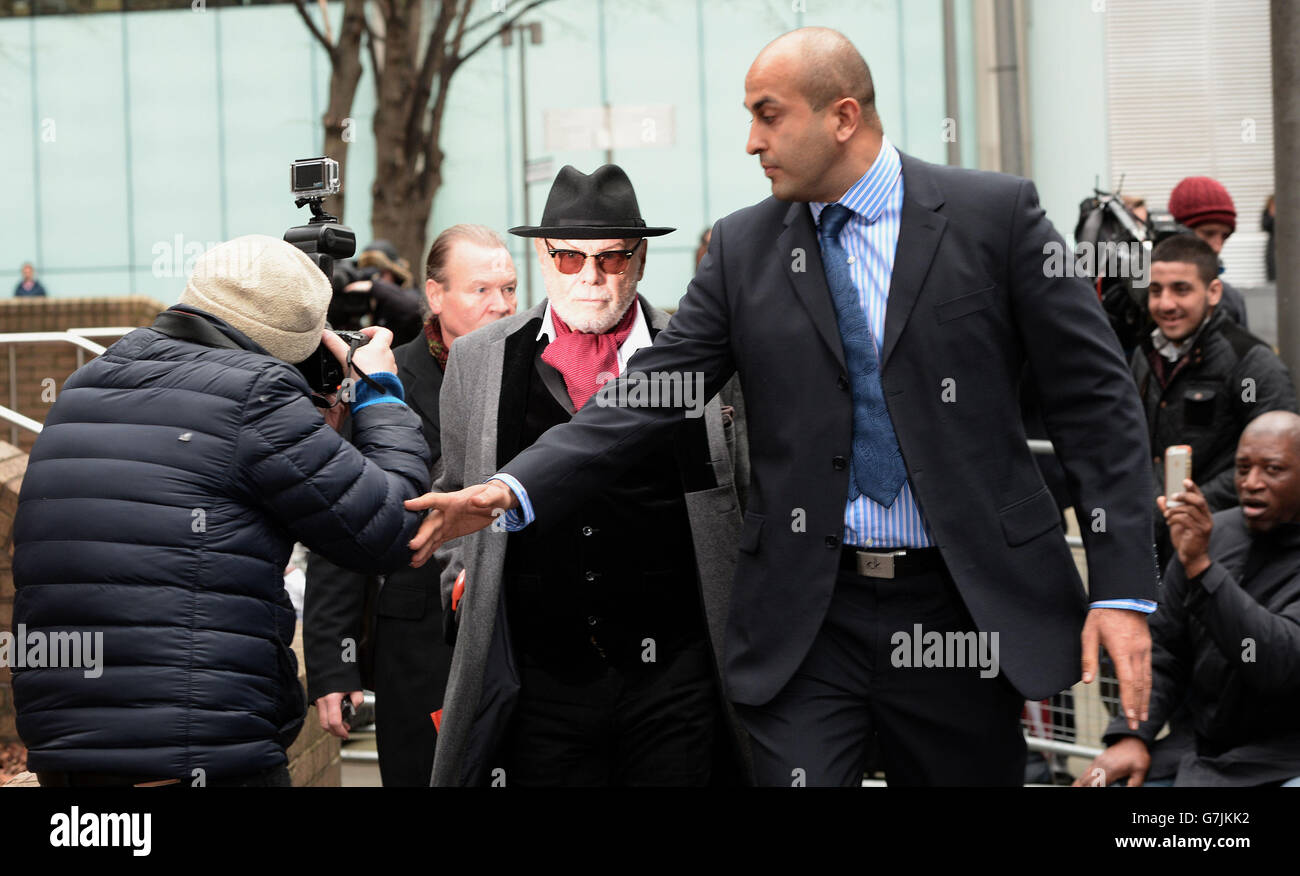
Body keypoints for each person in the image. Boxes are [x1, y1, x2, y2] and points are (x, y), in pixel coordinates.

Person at [408, 27, 1157, 787]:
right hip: (807, 616)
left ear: (842, 116)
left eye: (768, 116)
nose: (750, 142)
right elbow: (646, 395)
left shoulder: (994, 217)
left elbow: (1096, 404)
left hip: (960, 611)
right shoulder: (743, 249)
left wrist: (1123, 587)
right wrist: (510, 489)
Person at [10, 235, 430, 787]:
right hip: (201, 751)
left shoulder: (85, 386)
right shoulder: (254, 395)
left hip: (67, 753)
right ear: (298, 347)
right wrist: (379, 390)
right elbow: (392, 527)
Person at [427, 164, 750, 787]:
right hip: (542, 682)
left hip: (677, 677)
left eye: (612, 258)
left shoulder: (701, 355)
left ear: (642, 259)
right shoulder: (481, 358)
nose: (593, 278)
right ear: (543, 259)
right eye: (571, 258)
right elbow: (461, 487)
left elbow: (744, 489)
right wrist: (462, 587)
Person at [304, 224, 517, 786]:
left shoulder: (539, 368)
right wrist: (333, 662)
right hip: (420, 643)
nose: (500, 306)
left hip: (524, 632)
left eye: (510, 289)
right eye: (481, 291)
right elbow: (344, 515)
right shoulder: (382, 379)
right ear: (436, 295)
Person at [1077, 411, 1300, 787]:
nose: (1252, 483)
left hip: (1282, 759)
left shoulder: (1201, 549)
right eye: (1243, 468)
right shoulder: (1213, 533)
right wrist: (1131, 735)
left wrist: (1202, 569)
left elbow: (1278, 663)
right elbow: (1164, 651)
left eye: (1273, 469)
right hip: (1200, 750)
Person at [1134, 235, 1296, 530]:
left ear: (1213, 292)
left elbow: (1276, 461)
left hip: (1222, 535)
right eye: (1156, 291)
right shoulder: (1144, 354)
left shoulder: (1251, 363)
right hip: (1155, 531)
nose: (1166, 303)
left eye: (1181, 290)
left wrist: (1192, 507)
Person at [1167, 176, 1249, 328]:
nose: (1217, 247)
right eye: (1208, 233)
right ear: (1178, 232)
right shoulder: (1145, 292)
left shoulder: (1231, 299)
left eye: (1224, 236)